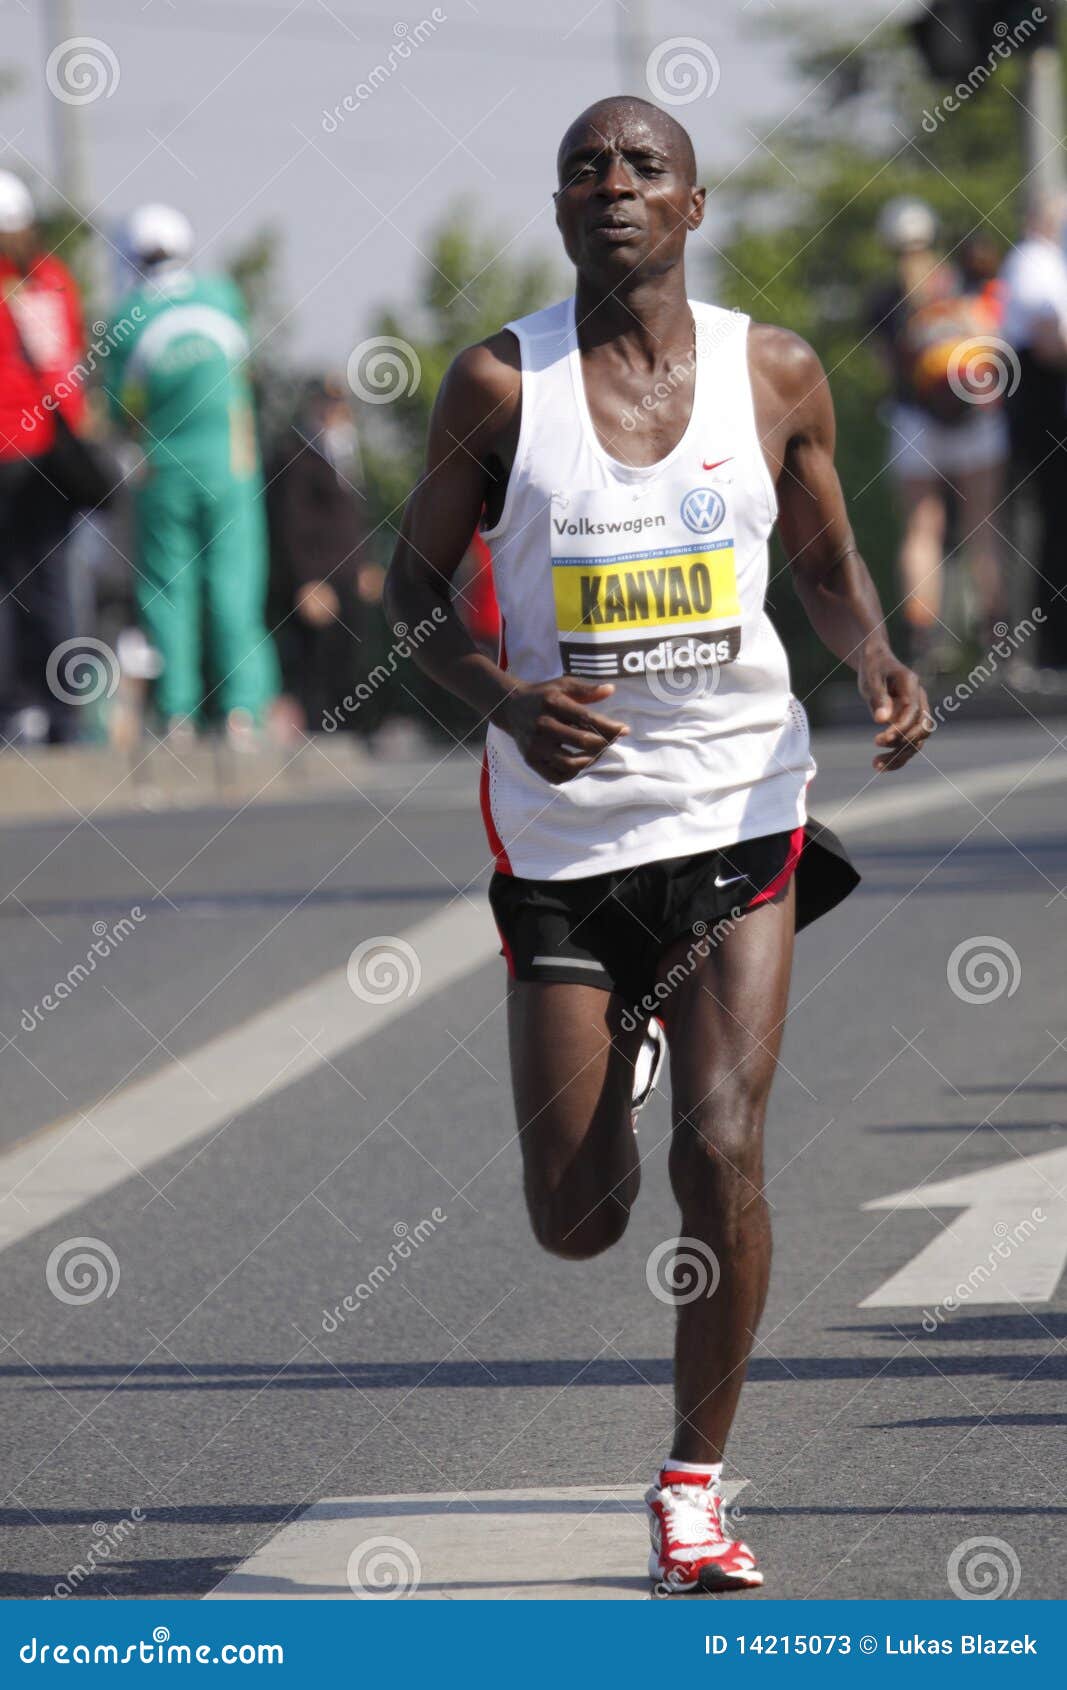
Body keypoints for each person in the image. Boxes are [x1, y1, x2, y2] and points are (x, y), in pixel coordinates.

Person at [386, 96, 932, 1594]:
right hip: (567, 833)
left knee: (725, 1145)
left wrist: (874, 656)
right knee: (577, 1219)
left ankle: (690, 1488)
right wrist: (501, 699)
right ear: (557, 209)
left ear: (691, 207)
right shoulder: (500, 387)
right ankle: (607, 1048)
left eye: (642, 168)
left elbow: (818, 560)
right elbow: (407, 595)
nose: (612, 186)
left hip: (736, 802)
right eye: (583, 169)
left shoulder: (773, 373)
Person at [105, 203, 278, 743]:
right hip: (231, 463)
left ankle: (178, 713)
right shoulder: (221, 297)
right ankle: (243, 712)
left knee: (167, 588)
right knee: (235, 583)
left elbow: (120, 412)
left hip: (164, 468)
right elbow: (246, 377)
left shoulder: (127, 318)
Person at [868, 198, 1007, 675]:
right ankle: (996, 641)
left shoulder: (884, 299)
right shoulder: (961, 282)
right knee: (981, 527)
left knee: (921, 531)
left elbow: (885, 368)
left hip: (914, 422)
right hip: (976, 421)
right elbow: (991, 342)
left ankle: (925, 644)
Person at [0, 171, 91, 744]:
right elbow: (69, 374)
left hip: (9, 457)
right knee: (51, 586)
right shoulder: (51, 282)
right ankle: (63, 714)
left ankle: (13, 712)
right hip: (44, 458)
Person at [266, 376, 382, 734]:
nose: (333, 413)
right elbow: (290, 525)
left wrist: (367, 563)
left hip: (348, 574)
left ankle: (350, 735)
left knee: (351, 662)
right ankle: (321, 738)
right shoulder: (294, 454)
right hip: (318, 577)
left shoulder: (346, 452)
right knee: (316, 666)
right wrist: (306, 581)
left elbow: (354, 516)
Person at [1001, 195, 1067, 674]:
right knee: (1052, 526)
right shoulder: (1033, 261)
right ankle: (1051, 648)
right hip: (1045, 416)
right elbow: (1050, 341)